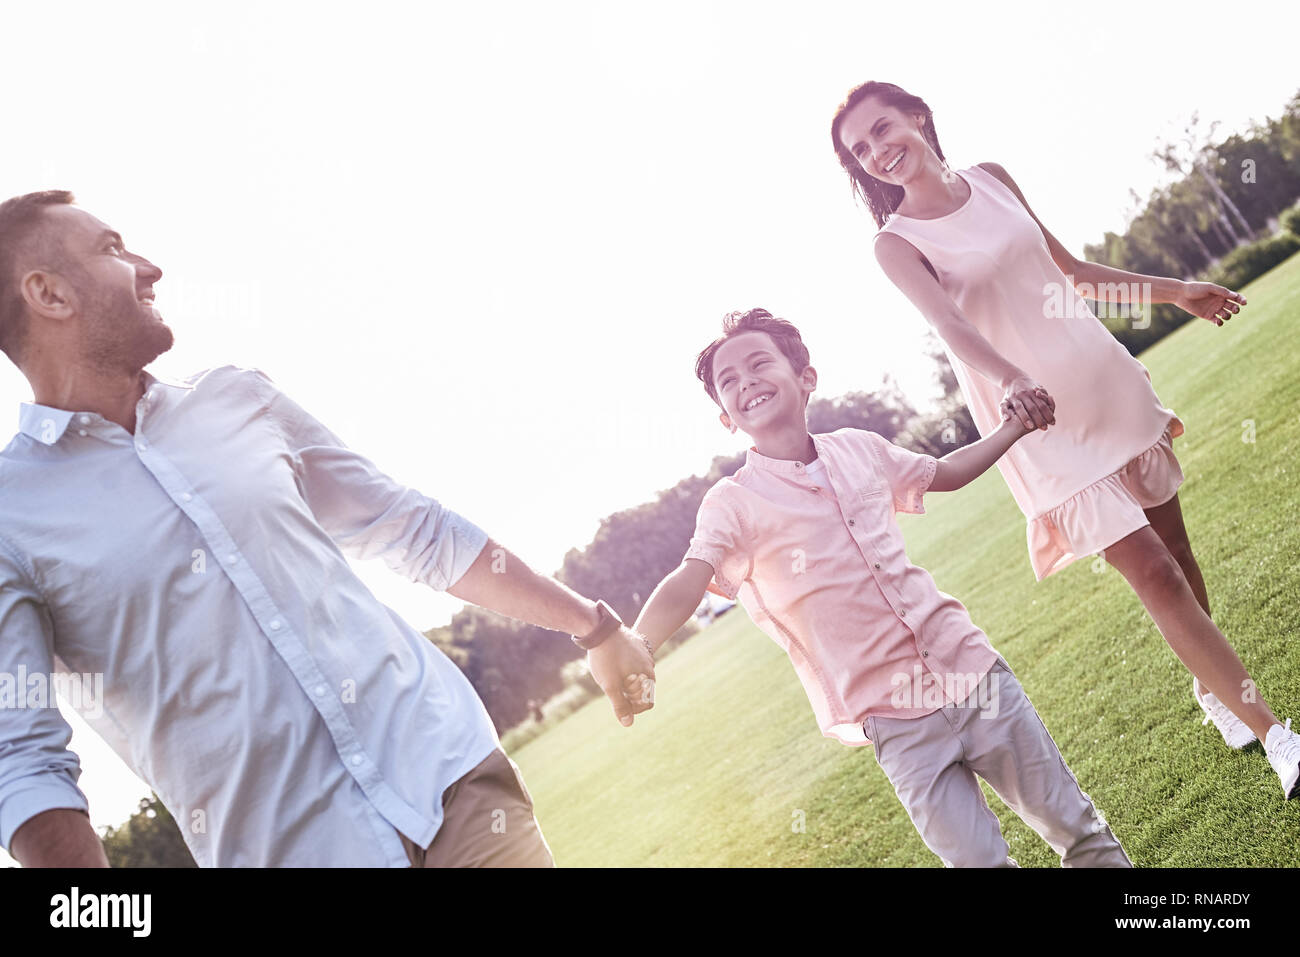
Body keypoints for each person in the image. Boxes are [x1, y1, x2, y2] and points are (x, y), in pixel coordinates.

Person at [0, 190, 653, 868]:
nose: (148, 266)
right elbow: (21, 758)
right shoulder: (10, 514)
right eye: (111, 249)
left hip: (448, 781)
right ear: (48, 294)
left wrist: (595, 627)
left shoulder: (237, 398)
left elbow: (412, 528)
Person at [829, 81, 1300, 798]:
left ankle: (1214, 694)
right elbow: (952, 329)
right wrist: (1013, 375)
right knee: (1155, 572)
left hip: (1103, 383)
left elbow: (1071, 273)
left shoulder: (991, 178)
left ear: (917, 115)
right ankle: (1277, 734)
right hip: (1037, 421)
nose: (876, 152)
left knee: (1178, 551)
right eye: (859, 150)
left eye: (881, 129)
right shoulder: (895, 243)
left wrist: (1175, 289)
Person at [623, 307, 1131, 867]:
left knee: (1078, 831)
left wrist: (1016, 424)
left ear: (806, 377)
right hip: (894, 721)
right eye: (729, 381)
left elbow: (949, 473)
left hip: (974, 672)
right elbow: (688, 579)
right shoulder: (731, 505)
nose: (746, 382)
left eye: (759, 363)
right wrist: (639, 646)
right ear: (725, 416)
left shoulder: (861, 449)